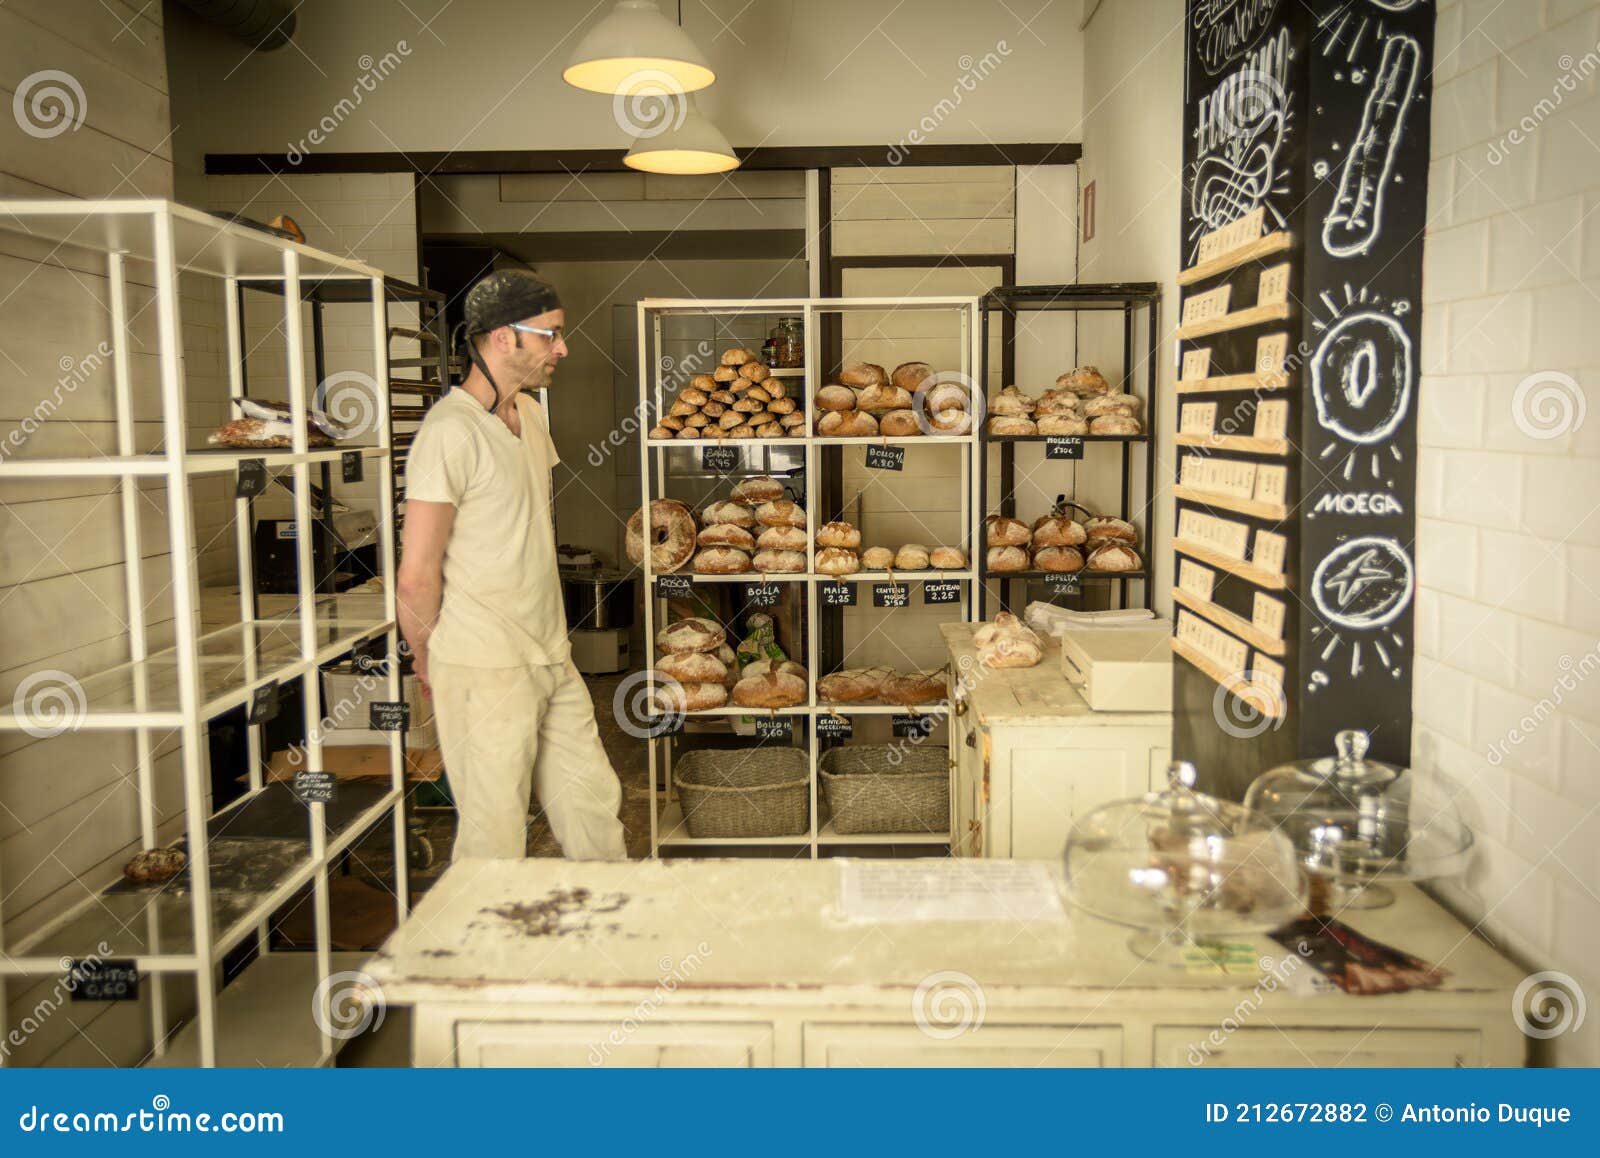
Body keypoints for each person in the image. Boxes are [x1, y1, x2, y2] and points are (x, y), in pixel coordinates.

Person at [398, 269, 626, 862]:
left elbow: (523, 527)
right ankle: (483, 925)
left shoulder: (529, 414)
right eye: (551, 334)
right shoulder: (448, 434)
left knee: (594, 808)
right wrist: (427, 657)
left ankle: (612, 915)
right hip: (485, 665)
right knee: (495, 835)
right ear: (503, 338)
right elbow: (417, 573)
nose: (563, 348)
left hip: (549, 651)